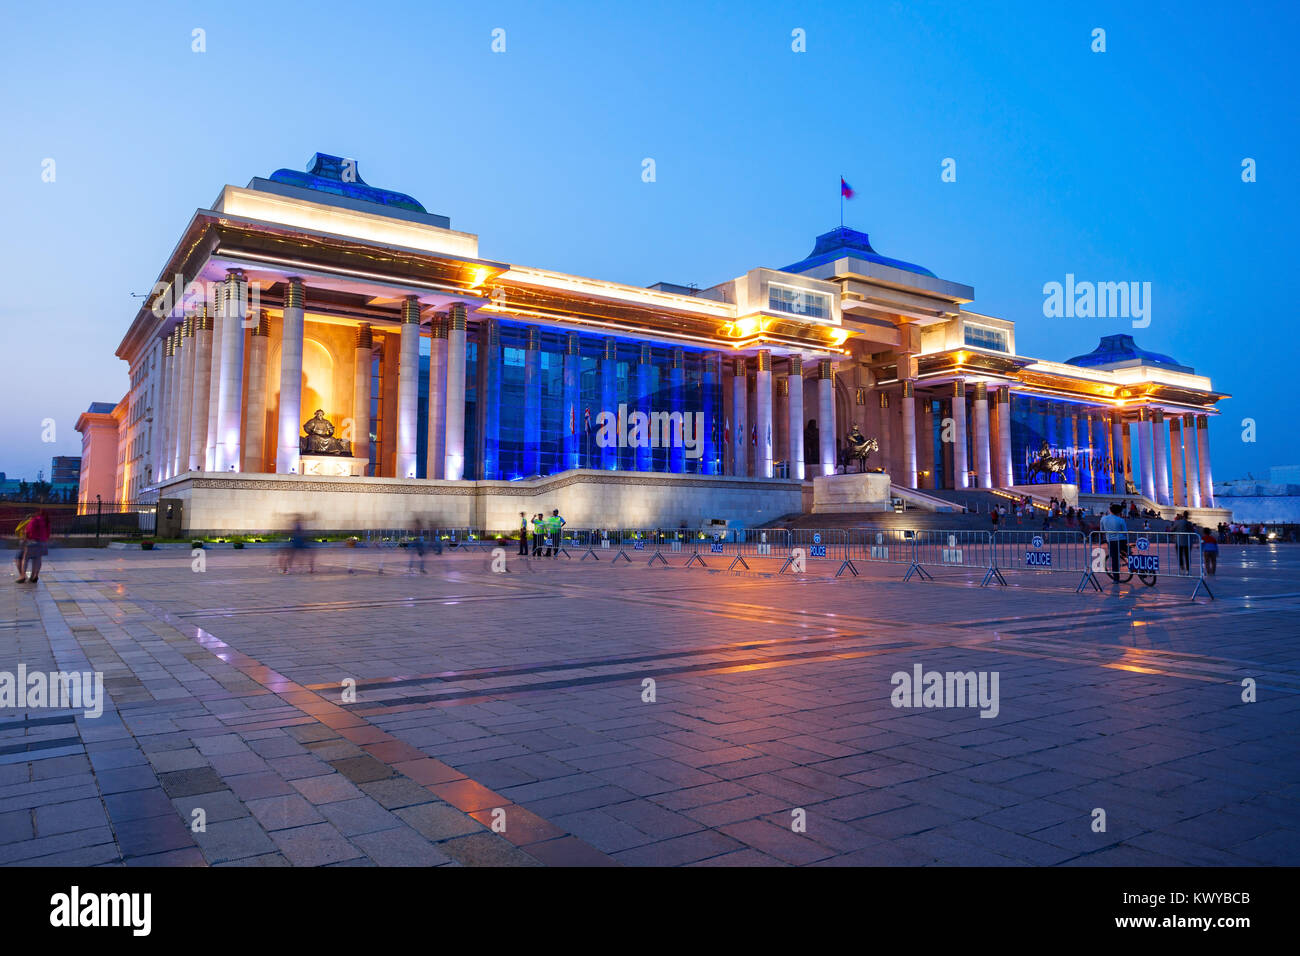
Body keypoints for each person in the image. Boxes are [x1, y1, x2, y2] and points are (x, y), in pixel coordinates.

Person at [14, 510, 50, 583]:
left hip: (32, 541)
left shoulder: (34, 520)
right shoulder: (46, 521)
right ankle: (35, 576)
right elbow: (48, 532)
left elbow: (28, 530)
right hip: (43, 542)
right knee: (37, 559)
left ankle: (22, 575)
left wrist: (25, 537)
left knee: (25, 558)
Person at [1100, 503, 1128, 584]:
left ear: (1110, 510)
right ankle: (1137, 569)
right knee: (1128, 555)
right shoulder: (1121, 520)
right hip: (1122, 540)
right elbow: (1125, 531)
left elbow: (1102, 530)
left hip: (1111, 541)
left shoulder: (1103, 519)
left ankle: (1116, 579)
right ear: (1119, 512)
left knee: (1115, 559)